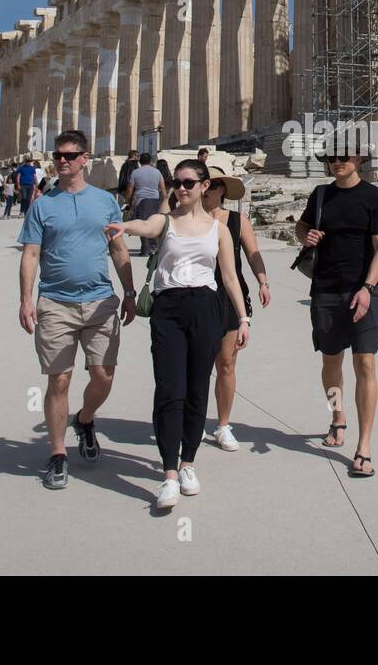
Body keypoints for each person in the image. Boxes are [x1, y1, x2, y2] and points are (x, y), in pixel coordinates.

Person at [105, 159, 248, 509]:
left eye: (188, 183)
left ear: (204, 186)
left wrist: (243, 319)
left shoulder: (218, 229)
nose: (181, 188)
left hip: (206, 308)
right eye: (176, 183)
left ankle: (188, 463)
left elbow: (229, 277)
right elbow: (147, 225)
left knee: (198, 388)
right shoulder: (165, 221)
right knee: (170, 389)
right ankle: (169, 473)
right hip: (168, 310)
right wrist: (126, 226)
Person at [19, 130, 136, 491]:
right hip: (55, 302)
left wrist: (129, 291)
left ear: (85, 158)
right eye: (58, 156)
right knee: (60, 379)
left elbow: (118, 250)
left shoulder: (104, 202)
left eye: (70, 155)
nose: (62, 161)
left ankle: (84, 420)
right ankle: (57, 454)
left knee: (104, 375)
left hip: (100, 300)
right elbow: (31, 254)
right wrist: (26, 299)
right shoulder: (42, 205)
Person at [295, 139, 378, 478]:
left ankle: (363, 446)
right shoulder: (321, 194)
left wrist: (368, 288)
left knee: (365, 363)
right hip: (325, 290)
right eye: (332, 158)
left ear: (359, 158)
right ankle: (338, 416)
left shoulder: (375, 197)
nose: (337, 162)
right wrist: (304, 236)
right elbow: (301, 227)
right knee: (331, 363)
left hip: (362, 292)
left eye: (344, 157)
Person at [200, 166, 270, 451]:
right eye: (205, 183)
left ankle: (223, 425)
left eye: (215, 184)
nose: (209, 189)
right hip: (195, 296)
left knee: (226, 363)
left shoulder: (237, 220)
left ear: (223, 191)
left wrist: (263, 282)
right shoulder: (186, 219)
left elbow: (253, 254)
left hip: (229, 296)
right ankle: (191, 423)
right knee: (197, 367)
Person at [124, 153, 167, 255]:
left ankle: (145, 249)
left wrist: (127, 201)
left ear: (140, 161)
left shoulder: (135, 173)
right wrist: (165, 201)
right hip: (155, 201)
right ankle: (153, 248)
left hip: (141, 202)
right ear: (150, 161)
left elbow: (130, 189)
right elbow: (163, 188)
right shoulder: (157, 172)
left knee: (142, 225)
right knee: (154, 224)